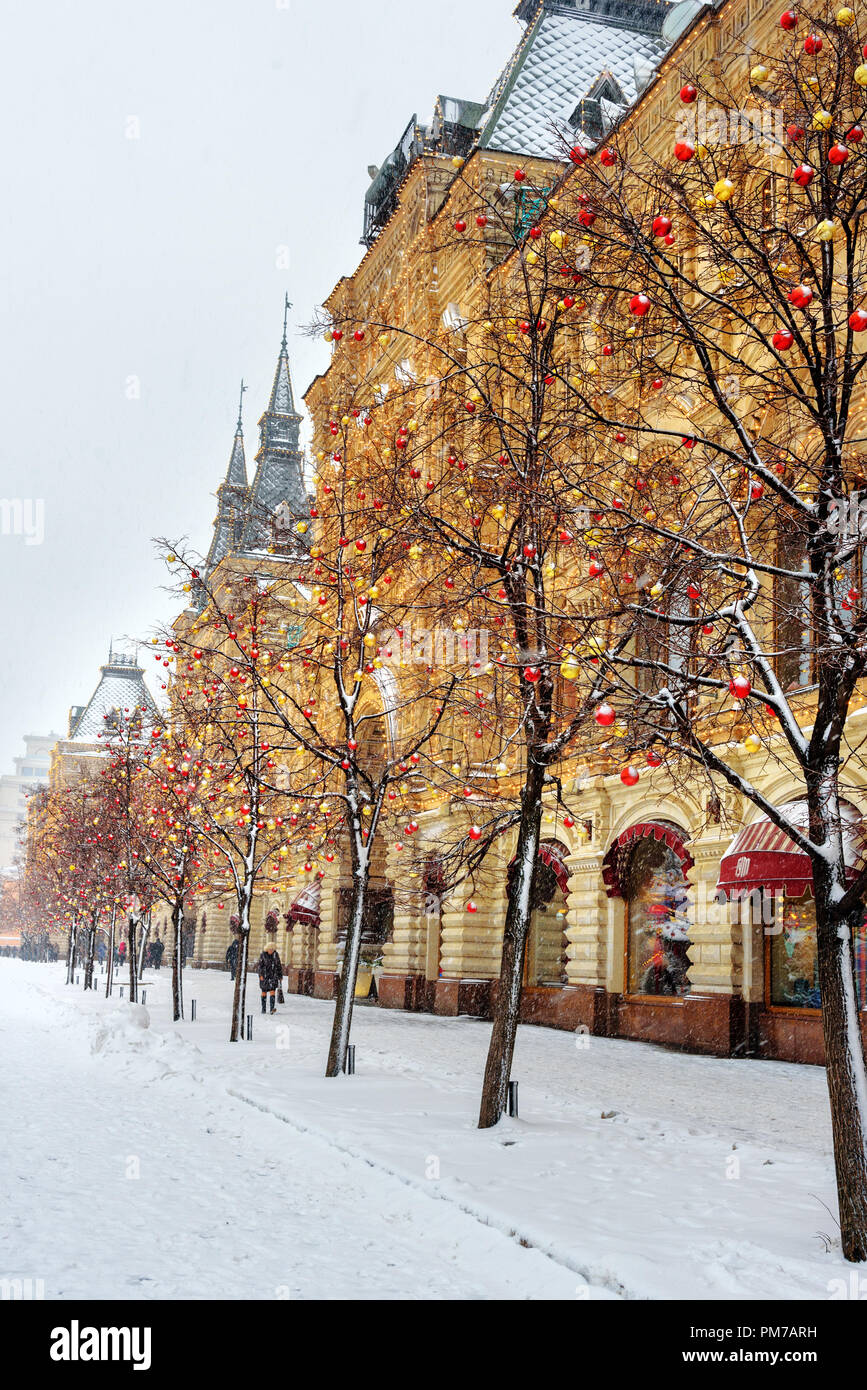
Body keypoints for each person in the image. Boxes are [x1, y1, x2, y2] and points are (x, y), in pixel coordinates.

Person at [256, 942, 282, 1014]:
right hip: (264, 976)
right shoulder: (263, 955)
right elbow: (260, 966)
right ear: (267, 949)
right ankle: (263, 1009)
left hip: (273, 976)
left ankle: (271, 1009)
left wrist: (280, 976)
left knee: (272, 991)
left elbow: (279, 966)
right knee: (264, 992)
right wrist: (260, 975)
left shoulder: (275, 955)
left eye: (273, 949)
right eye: (270, 949)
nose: (271, 950)